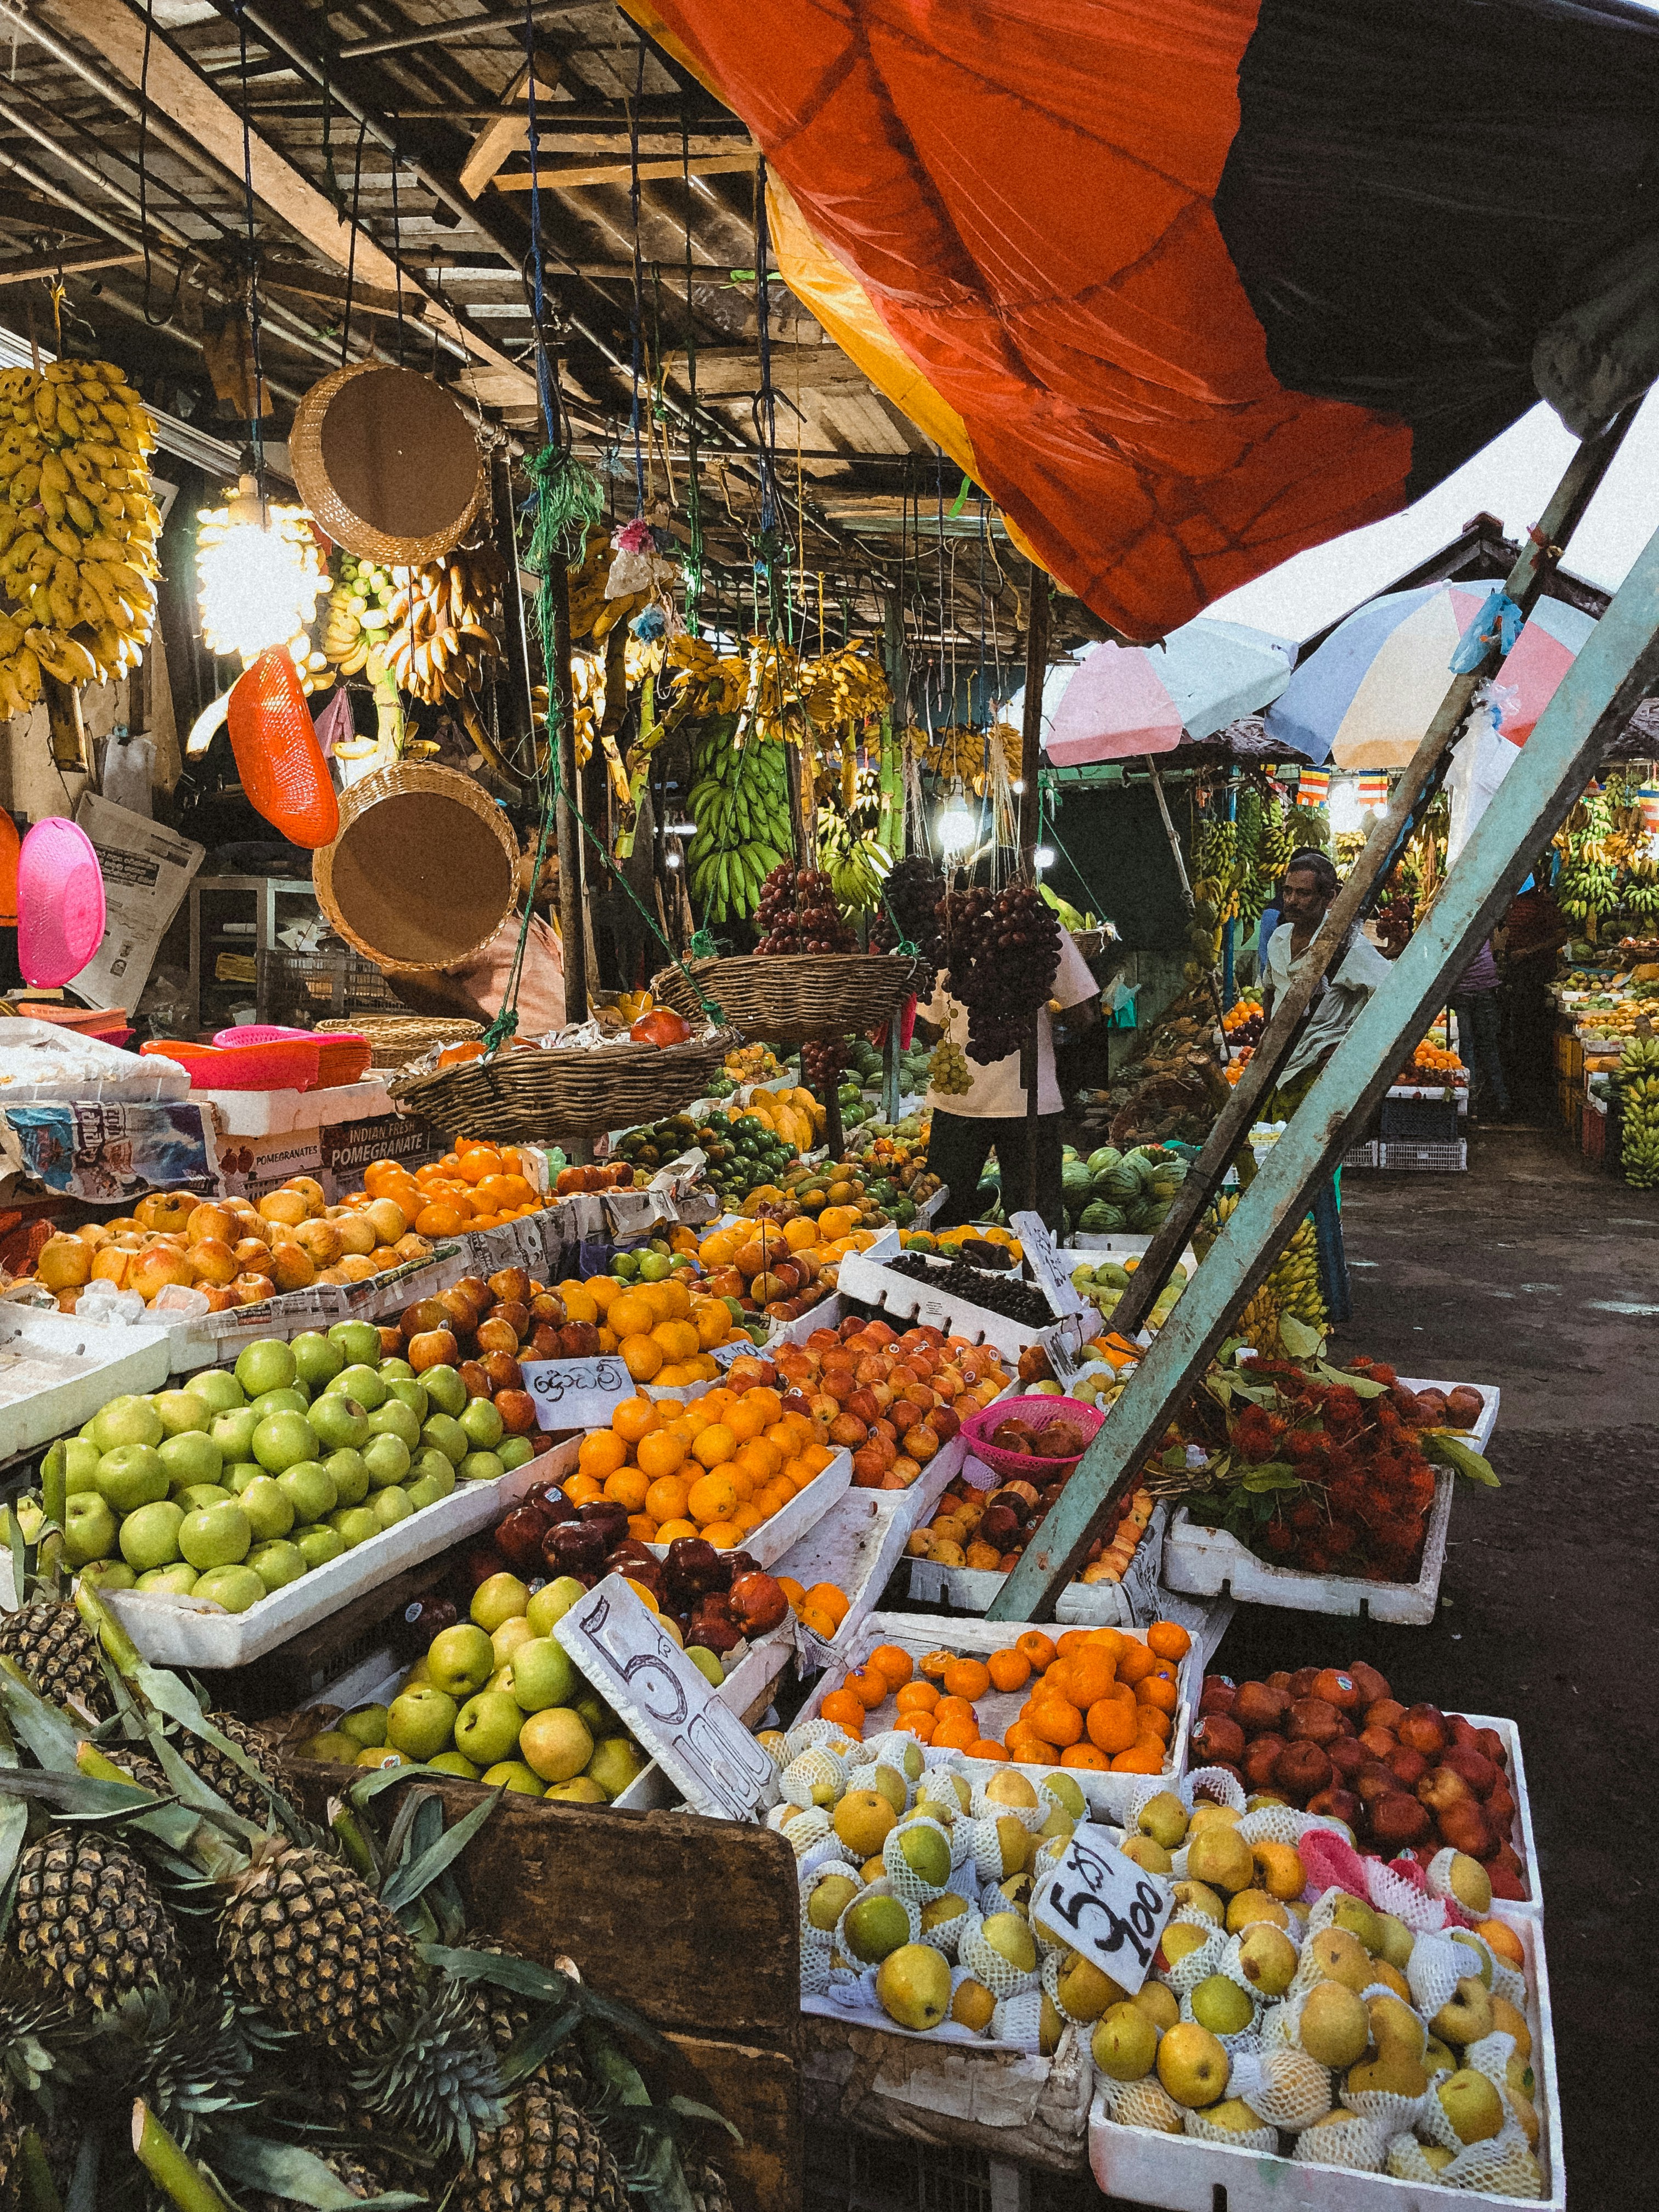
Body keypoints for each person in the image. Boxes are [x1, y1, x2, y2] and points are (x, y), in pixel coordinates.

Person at [1259, 849, 1391, 1324]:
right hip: (1278, 1079)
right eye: (1288, 892)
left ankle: (1329, 1297)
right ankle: (1278, 1290)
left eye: (1304, 894)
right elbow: (1272, 993)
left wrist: (1348, 1048)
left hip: (1317, 1079)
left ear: (1329, 897)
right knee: (1271, 1182)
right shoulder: (1277, 939)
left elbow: (1392, 1000)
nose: (1293, 901)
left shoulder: (1350, 951)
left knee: (1314, 1188)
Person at [915, 928, 1101, 1231]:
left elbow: (935, 1026)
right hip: (1029, 1101)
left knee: (942, 1223)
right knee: (1037, 1226)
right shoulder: (1041, 926)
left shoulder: (954, 928)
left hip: (961, 1099)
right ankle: (1034, 1276)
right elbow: (1083, 1016)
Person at [1448, 939, 1510, 1120]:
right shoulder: (1478, 912)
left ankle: (1471, 1103)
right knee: (1488, 1046)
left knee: (1466, 1046)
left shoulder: (1448, 917)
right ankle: (1502, 1101)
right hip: (1484, 985)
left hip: (1462, 989)